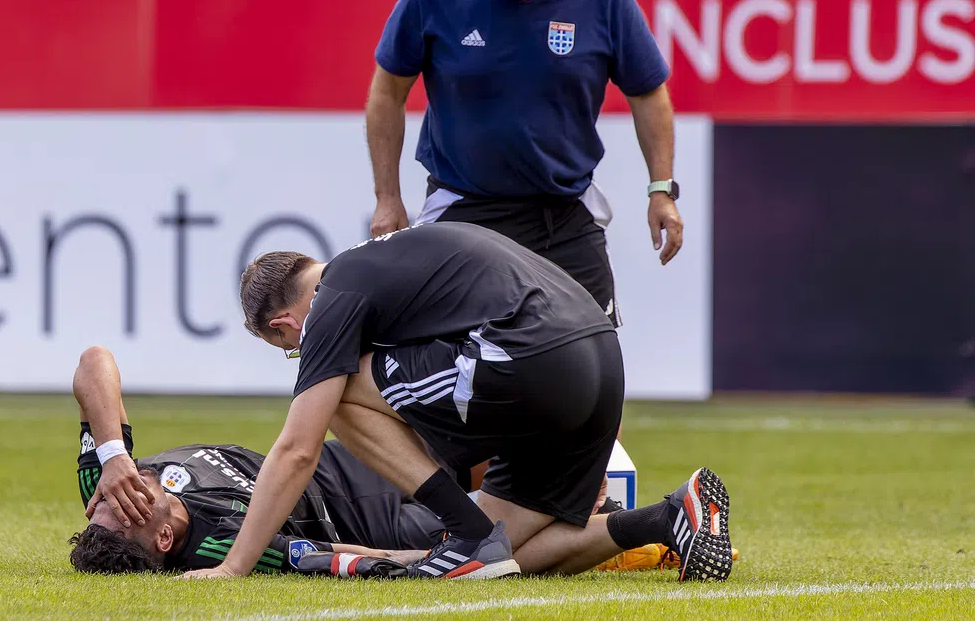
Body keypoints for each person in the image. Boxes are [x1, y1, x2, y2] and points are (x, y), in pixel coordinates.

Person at [182, 222, 733, 582]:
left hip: (530, 355)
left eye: (289, 348)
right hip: (601, 361)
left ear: (284, 323)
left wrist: (234, 566)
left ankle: (465, 528)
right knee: (493, 558)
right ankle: (667, 517)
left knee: (335, 390)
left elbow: (298, 450)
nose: (299, 352)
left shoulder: (331, 298)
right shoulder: (387, 260)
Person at [366, 0, 682, 327]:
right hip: (463, 210)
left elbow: (649, 94)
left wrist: (661, 190)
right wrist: (387, 198)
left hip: (566, 212)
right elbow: (386, 92)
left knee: (595, 356)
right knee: (447, 354)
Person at [67, 345, 440, 575]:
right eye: (128, 507)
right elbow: (332, 555)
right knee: (474, 518)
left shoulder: (109, 480)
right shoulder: (217, 546)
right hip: (372, 523)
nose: (123, 490)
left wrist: (113, 457)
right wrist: (431, 558)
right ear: (164, 537)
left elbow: (93, 360)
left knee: (452, 437)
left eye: (109, 499)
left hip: (341, 459)